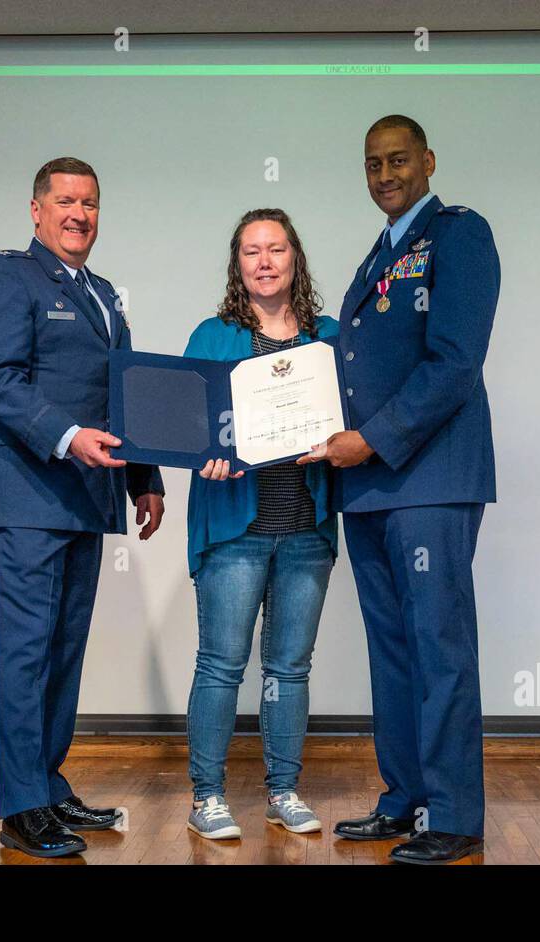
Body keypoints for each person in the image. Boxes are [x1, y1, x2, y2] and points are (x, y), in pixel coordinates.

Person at [297, 115, 501, 864]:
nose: (385, 174)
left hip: (430, 477)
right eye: (373, 163)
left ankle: (452, 814)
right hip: (371, 486)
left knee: (439, 644)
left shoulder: (458, 235)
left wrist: (372, 438)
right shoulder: (378, 256)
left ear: (428, 161)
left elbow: (454, 363)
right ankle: (405, 797)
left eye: (398, 160)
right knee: (392, 648)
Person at [0, 157, 166, 858]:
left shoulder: (104, 294)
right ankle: (22, 804)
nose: (79, 213)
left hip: (86, 498)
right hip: (27, 497)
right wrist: (67, 434)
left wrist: (147, 478)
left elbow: (127, 389)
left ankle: (46, 784)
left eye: (90, 202)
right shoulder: (6, 276)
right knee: (26, 649)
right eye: (65, 201)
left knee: (63, 650)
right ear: (36, 210)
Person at [181, 209, 339, 840]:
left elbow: (349, 422)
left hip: (307, 529)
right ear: (237, 264)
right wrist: (205, 459)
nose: (265, 261)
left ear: (294, 258)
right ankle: (208, 796)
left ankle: (283, 789)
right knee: (222, 664)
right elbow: (188, 430)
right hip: (234, 533)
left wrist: (339, 442)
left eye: (276, 249)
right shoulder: (211, 336)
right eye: (252, 251)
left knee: (290, 668)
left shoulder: (327, 337)